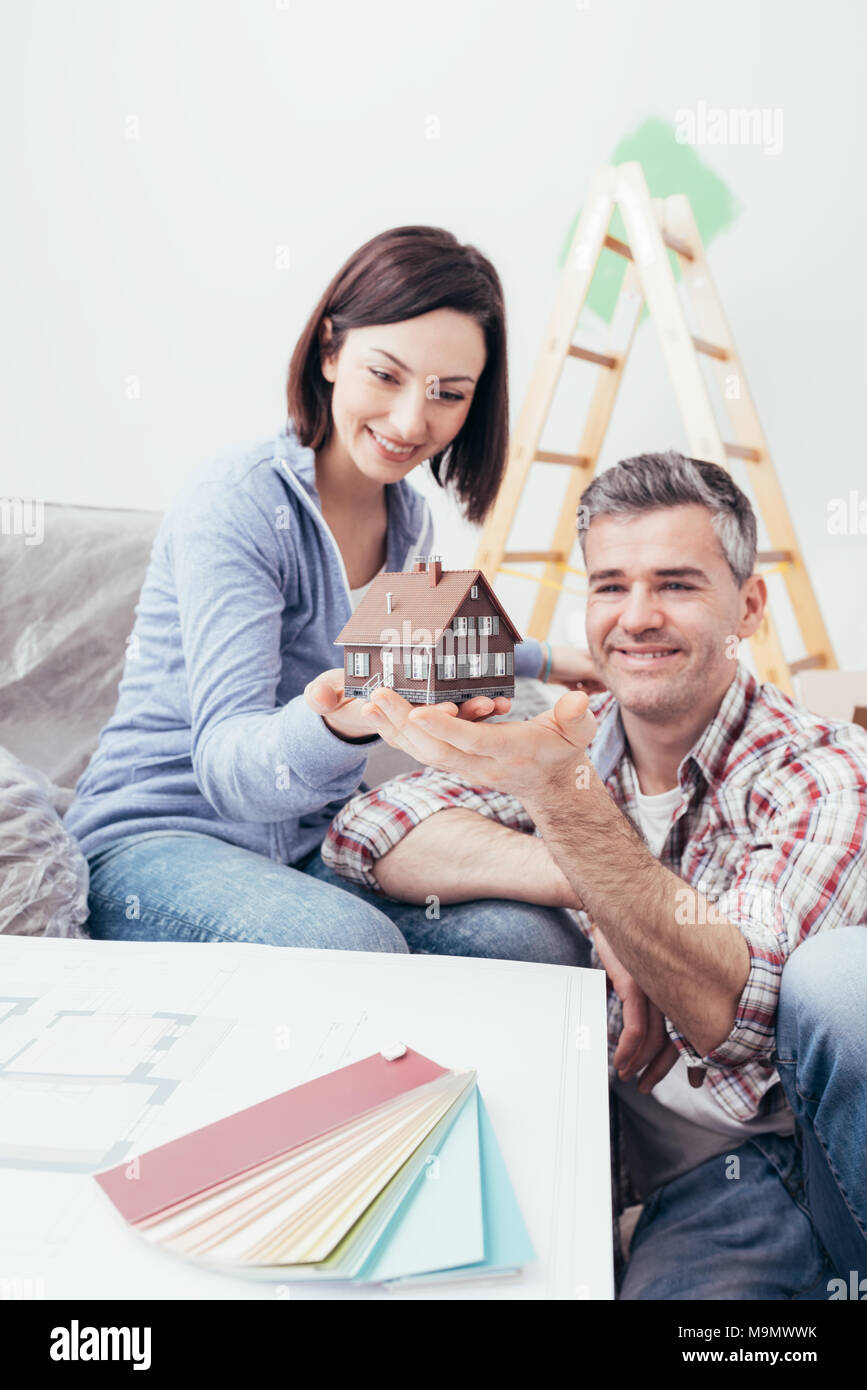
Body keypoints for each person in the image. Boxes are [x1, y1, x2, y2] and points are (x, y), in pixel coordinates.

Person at [319, 451, 867, 1298]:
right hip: (606, 1144)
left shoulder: (821, 769)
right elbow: (367, 829)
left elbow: (742, 1014)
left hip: (756, 1156)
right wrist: (584, 886)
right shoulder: (578, 735)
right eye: (609, 585)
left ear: (747, 607)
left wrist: (561, 802)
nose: (635, 617)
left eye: (676, 585)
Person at [63, 224, 598, 953]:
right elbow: (229, 768)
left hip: (309, 840)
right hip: (157, 836)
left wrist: (547, 661)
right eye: (386, 375)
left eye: (448, 392)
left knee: (535, 946)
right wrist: (341, 723)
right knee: (349, 945)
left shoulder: (408, 518)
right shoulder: (239, 502)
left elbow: (414, 652)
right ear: (329, 350)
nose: (412, 420)